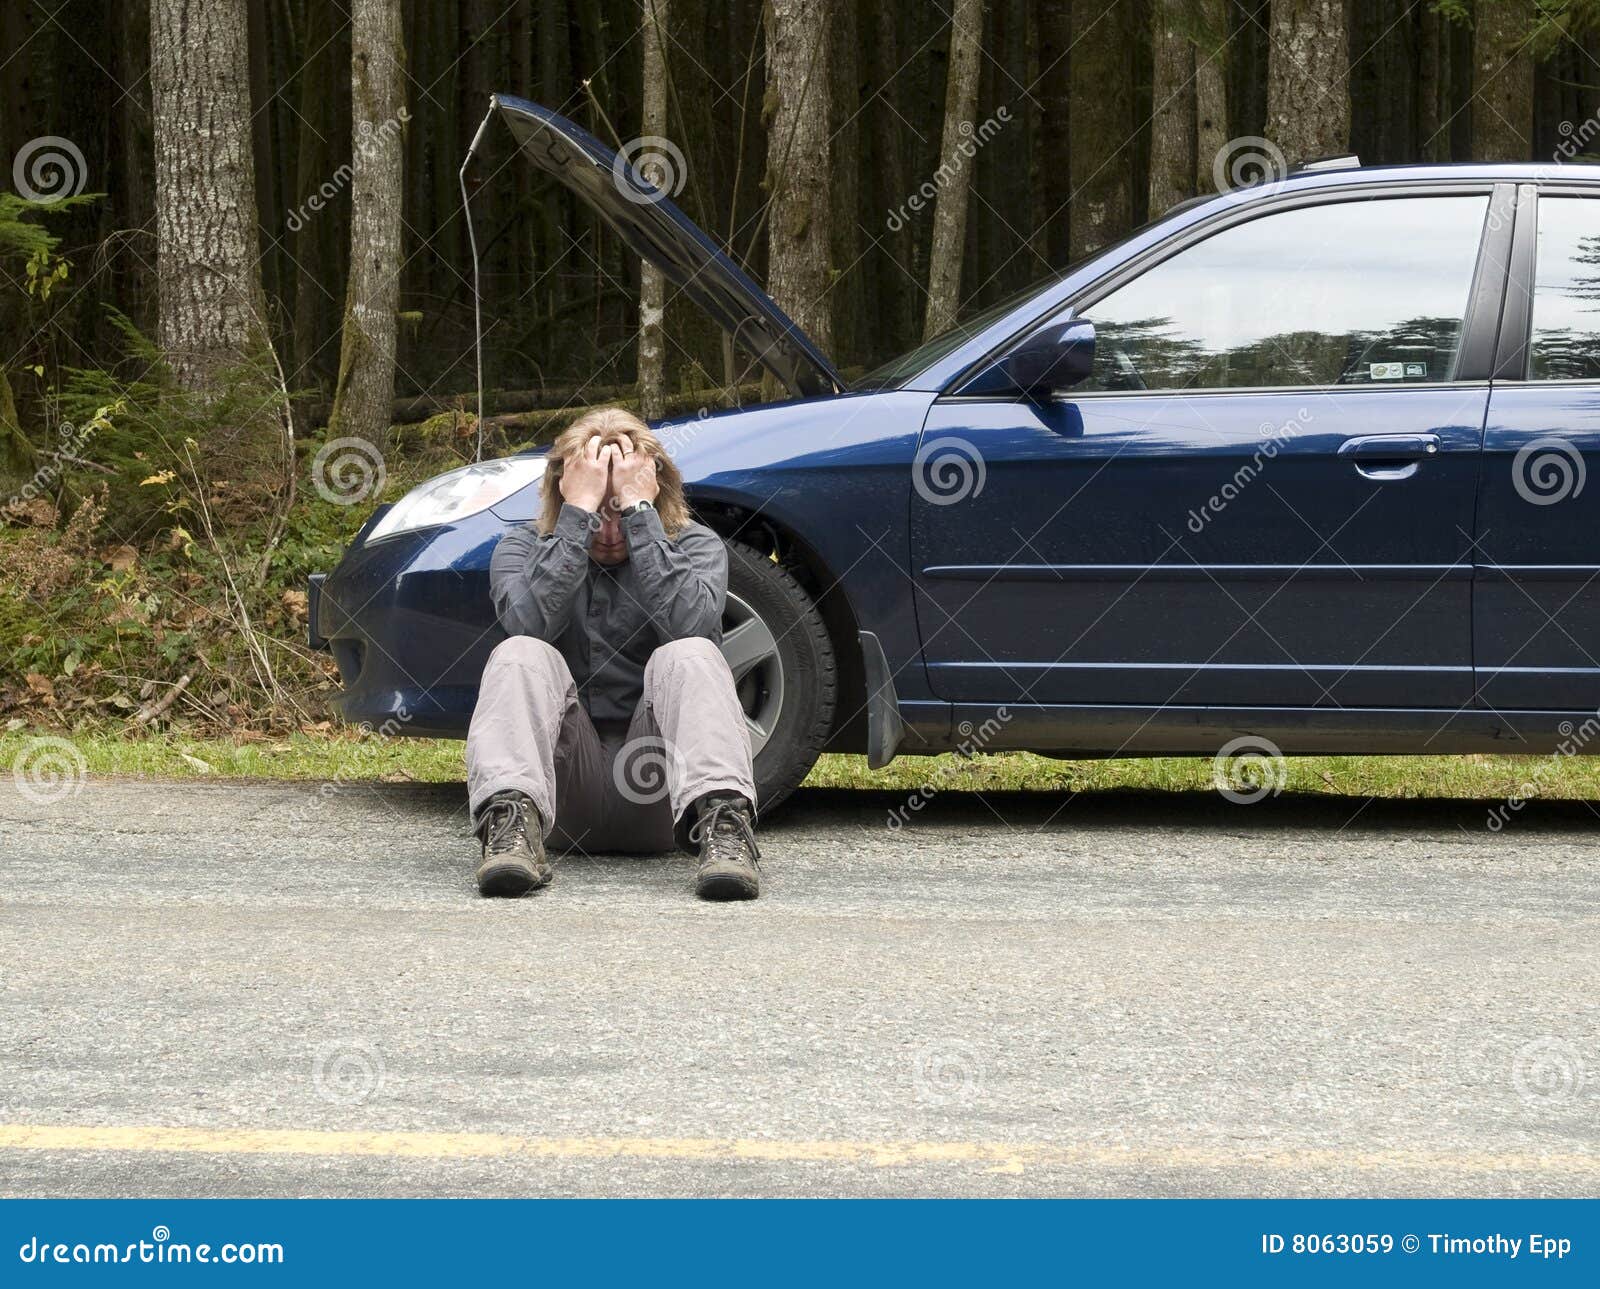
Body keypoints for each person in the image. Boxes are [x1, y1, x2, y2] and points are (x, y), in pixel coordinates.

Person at [465, 406, 761, 901]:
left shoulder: (697, 547)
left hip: (661, 800)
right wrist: (573, 522)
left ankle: (727, 834)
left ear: (651, 491)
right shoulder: (521, 548)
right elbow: (527, 624)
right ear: (566, 494)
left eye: (619, 508)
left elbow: (692, 625)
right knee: (520, 651)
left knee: (689, 652)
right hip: (559, 803)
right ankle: (509, 830)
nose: (606, 529)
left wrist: (642, 520)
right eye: (593, 509)